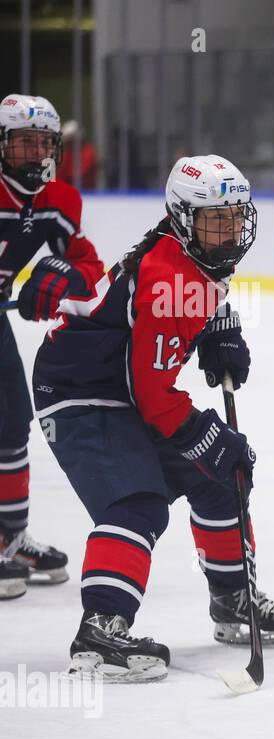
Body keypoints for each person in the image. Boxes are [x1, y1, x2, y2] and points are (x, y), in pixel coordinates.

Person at [32, 154, 274, 682]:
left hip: (120, 388)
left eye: (232, 217)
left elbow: (196, 300)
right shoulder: (167, 275)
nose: (226, 232)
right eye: (213, 219)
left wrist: (220, 326)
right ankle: (101, 627)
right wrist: (207, 435)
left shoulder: (192, 254)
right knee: (137, 502)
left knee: (220, 480)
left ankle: (231, 601)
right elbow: (153, 395)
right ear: (183, 217)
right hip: (80, 392)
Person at [0, 93, 101, 599]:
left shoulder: (58, 201)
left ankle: (10, 538)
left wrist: (62, 273)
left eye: (44, 144)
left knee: (13, 422)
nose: (35, 154)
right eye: (23, 144)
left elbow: (91, 270)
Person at [55, 119, 98, 190]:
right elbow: (60, 176)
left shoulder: (88, 151)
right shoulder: (67, 154)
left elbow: (79, 174)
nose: (67, 144)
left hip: (87, 193)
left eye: (70, 141)